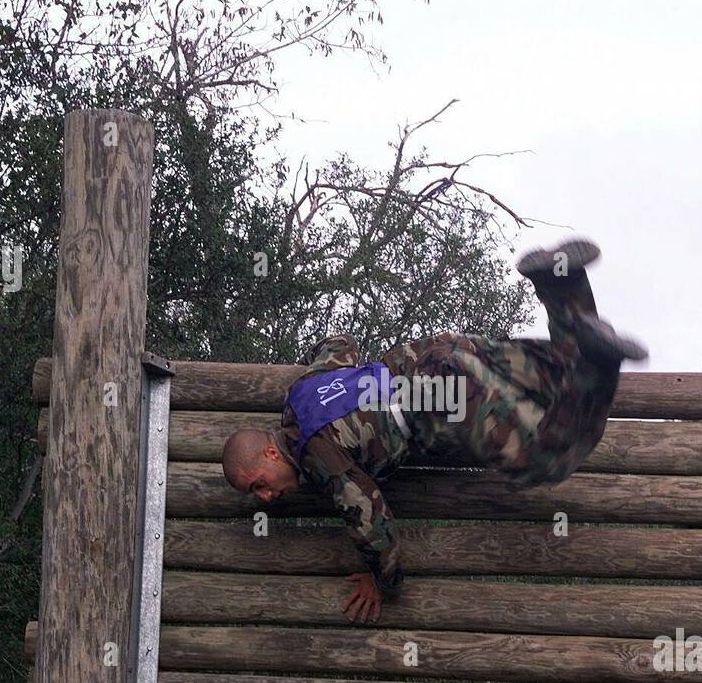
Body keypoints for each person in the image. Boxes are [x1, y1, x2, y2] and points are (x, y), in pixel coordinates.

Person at [221, 238, 648, 623]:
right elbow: (339, 344)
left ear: (271, 454)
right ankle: (561, 281)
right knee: (562, 375)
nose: (265, 496)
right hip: (439, 349)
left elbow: (373, 524)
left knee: (544, 459)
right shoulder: (299, 394)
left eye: (257, 484)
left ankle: (592, 346)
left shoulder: (319, 457)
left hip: (442, 391)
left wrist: (383, 583)